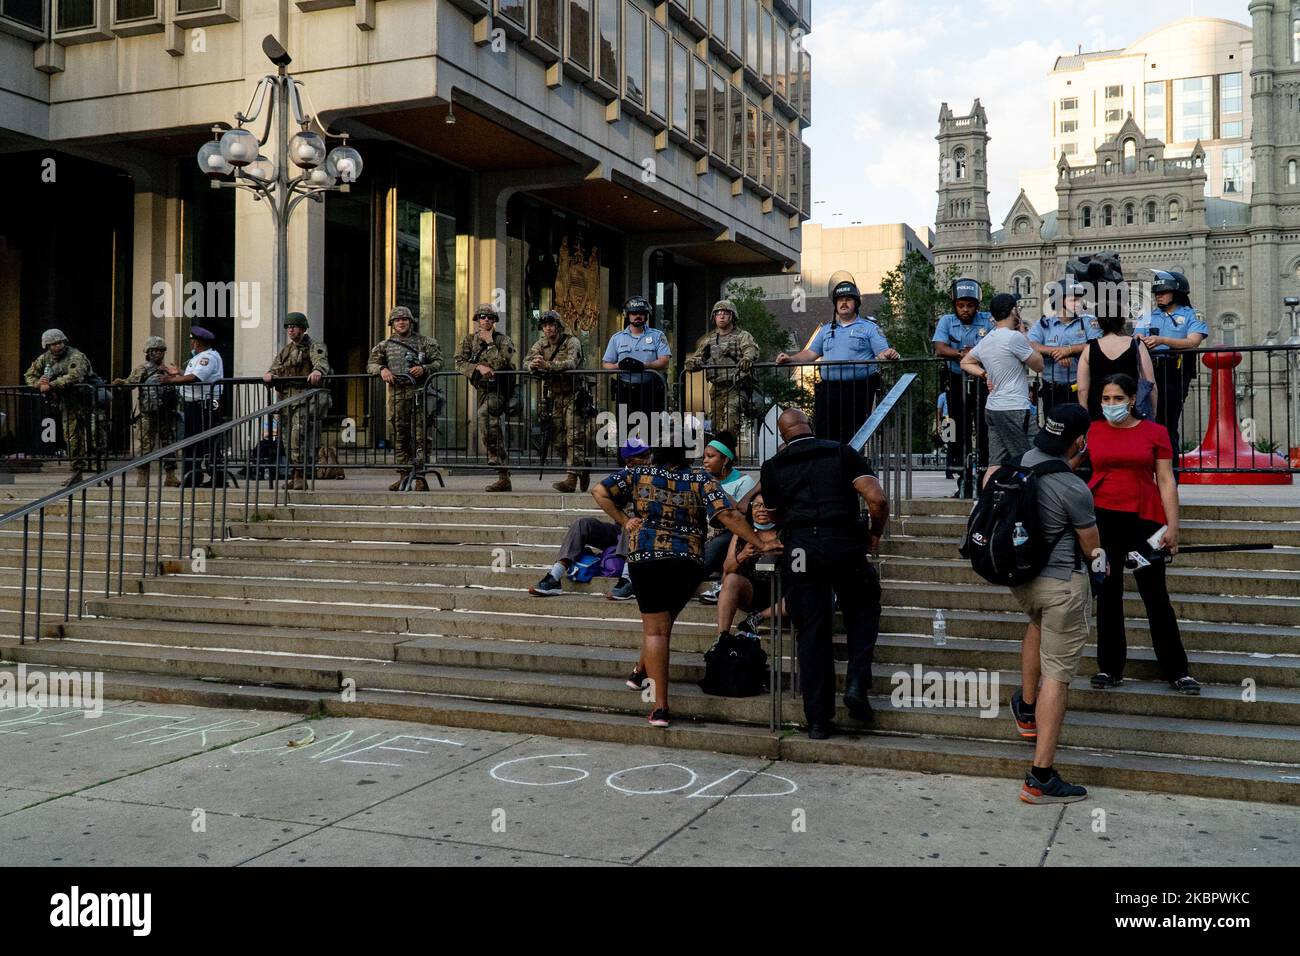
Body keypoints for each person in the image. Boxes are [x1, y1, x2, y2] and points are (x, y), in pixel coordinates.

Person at [592, 431, 778, 728]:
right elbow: (729, 514)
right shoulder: (700, 480)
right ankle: (639, 673)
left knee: (655, 631)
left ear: (655, 454)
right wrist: (759, 542)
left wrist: (626, 521)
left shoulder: (638, 473)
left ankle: (660, 708)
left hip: (646, 560)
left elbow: (599, 491)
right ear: (685, 456)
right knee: (663, 623)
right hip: (687, 563)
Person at [758, 408, 889, 739]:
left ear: (782, 436)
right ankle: (857, 681)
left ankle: (818, 720)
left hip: (801, 550)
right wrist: (874, 533)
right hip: (843, 542)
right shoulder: (841, 452)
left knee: (811, 630)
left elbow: (771, 514)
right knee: (863, 607)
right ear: (810, 426)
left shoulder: (774, 466)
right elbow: (877, 499)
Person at [1002, 403, 1100, 804]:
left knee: (1037, 625)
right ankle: (1040, 776)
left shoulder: (1020, 462)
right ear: (1079, 441)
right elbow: (1092, 548)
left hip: (1024, 581)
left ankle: (1026, 711)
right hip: (1062, 585)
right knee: (1058, 675)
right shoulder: (1073, 487)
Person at [1087, 373, 1199, 694]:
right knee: (1108, 596)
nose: (1111, 405)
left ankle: (1177, 670)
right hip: (1102, 518)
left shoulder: (1155, 432)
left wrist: (1173, 526)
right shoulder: (1092, 431)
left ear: (1133, 399)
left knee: (1155, 596)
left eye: (1117, 399)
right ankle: (1109, 669)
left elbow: (1166, 480)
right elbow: (1068, 461)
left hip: (1145, 518)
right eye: (1105, 399)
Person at [776, 279, 900, 445]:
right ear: (835, 304)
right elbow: (811, 353)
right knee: (824, 433)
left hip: (858, 389)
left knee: (852, 435)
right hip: (829, 389)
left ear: (856, 303)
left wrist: (889, 354)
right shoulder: (826, 329)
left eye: (848, 299)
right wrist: (790, 359)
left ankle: (850, 468)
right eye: (840, 300)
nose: (844, 303)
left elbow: (883, 352)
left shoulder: (869, 328)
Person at [529, 439, 653, 599]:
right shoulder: (623, 477)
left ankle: (627, 580)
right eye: (642, 456)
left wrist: (629, 522)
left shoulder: (655, 475)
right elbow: (597, 492)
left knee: (631, 524)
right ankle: (554, 576)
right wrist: (624, 519)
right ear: (629, 461)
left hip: (648, 535)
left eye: (648, 454)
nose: (648, 460)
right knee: (583, 524)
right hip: (620, 532)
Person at [1135, 270, 1209, 473]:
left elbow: (1193, 341)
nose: (1158, 295)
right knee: (1146, 422)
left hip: (1175, 373)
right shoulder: (1148, 315)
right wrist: (1142, 340)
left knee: (1167, 425)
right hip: (1149, 372)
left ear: (1177, 293)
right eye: (1156, 292)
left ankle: (1170, 474)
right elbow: (1136, 339)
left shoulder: (1192, 315)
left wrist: (1162, 341)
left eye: (1164, 291)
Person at [960, 292, 1044, 466]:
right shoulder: (1014, 337)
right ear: (1014, 311)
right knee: (1030, 459)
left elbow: (965, 362)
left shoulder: (988, 339)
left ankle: (987, 493)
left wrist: (985, 374)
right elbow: (1038, 365)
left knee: (996, 463)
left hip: (993, 407)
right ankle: (1028, 493)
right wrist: (1023, 333)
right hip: (1015, 407)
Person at [367, 305, 443, 491]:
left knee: (421, 436)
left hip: (420, 394)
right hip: (398, 395)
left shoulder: (426, 342)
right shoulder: (384, 345)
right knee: (400, 435)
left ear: (411, 321)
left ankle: (419, 477)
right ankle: (403, 476)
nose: (401, 322)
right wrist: (382, 369)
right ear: (392, 324)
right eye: (397, 320)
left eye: (404, 319)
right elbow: (371, 364)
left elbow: (439, 362)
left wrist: (424, 369)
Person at [932, 277, 994, 496]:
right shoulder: (946, 321)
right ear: (954, 305)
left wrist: (974, 354)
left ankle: (986, 477)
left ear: (977, 305)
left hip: (983, 380)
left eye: (970, 305)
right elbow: (939, 348)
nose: (965, 310)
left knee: (986, 428)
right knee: (957, 429)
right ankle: (963, 477)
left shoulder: (987, 319)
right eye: (961, 305)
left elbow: (996, 342)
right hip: (956, 381)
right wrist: (960, 354)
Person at [263, 312, 332, 491]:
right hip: (287, 399)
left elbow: (321, 362)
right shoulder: (286, 350)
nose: (291, 330)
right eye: (288, 327)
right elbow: (275, 367)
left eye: (294, 327)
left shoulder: (314, 346)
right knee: (286, 438)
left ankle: (300, 474)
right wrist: (270, 375)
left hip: (304, 398)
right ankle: (295, 473)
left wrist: (317, 371)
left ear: (302, 328)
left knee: (297, 436)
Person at [455, 304, 517, 492]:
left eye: (490, 317)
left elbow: (501, 362)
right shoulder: (469, 340)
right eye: (482, 317)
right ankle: (503, 475)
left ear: (494, 321)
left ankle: (494, 456)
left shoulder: (503, 340)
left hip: (500, 390)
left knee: (485, 414)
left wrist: (490, 343)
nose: (486, 320)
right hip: (482, 389)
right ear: (477, 319)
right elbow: (458, 361)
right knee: (491, 424)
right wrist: (477, 368)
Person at [527, 310, 589, 493]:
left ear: (559, 326)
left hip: (573, 394)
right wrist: (533, 365)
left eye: (551, 324)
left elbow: (571, 363)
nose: (548, 328)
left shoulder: (572, 342)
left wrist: (548, 366)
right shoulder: (541, 344)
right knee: (556, 439)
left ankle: (571, 479)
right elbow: (526, 360)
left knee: (573, 436)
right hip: (553, 396)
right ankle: (582, 465)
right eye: (545, 325)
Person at [25, 329, 93, 486]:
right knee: (71, 435)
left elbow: (75, 375)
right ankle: (77, 470)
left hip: (84, 400)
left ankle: (89, 468)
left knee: (88, 435)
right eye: (54, 344)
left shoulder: (75, 355)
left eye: (60, 342)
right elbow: (30, 375)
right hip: (66, 402)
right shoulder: (45, 358)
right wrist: (39, 384)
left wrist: (51, 385)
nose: (58, 346)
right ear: (47, 345)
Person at [696, 431, 757, 604]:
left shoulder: (744, 482)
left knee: (723, 541)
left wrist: (718, 490)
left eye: (710, 456)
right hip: (704, 535)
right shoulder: (702, 480)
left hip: (728, 537)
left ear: (725, 460)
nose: (705, 461)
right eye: (704, 457)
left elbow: (743, 516)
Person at [683, 299, 760, 437]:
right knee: (716, 426)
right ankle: (720, 456)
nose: (722, 316)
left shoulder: (742, 336)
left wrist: (747, 358)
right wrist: (694, 363)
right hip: (717, 387)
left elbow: (750, 349)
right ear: (714, 317)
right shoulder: (709, 339)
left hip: (737, 386)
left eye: (725, 313)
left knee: (731, 420)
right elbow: (698, 357)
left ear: (732, 316)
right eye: (718, 314)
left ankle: (728, 454)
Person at [160, 327, 225, 487]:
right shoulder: (200, 357)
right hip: (194, 404)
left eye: (193, 341)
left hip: (203, 405)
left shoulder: (207, 358)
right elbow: (192, 374)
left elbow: (195, 377)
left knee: (206, 442)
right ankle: (193, 477)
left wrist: (170, 380)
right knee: (192, 442)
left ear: (198, 342)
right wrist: (178, 373)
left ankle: (216, 478)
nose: (192, 343)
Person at [715, 491, 785, 640]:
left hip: (782, 594)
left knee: (805, 589)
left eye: (766, 506)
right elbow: (727, 568)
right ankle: (722, 638)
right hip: (752, 591)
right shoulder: (742, 534)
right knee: (731, 579)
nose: (760, 509)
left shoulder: (786, 533)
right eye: (756, 505)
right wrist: (743, 554)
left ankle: (758, 617)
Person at [1027, 278, 1100, 414]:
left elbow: (1097, 346)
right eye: (1074, 300)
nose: (1079, 303)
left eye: (1080, 299)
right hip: (1052, 390)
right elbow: (1030, 345)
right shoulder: (1044, 324)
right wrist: (1055, 353)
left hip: (1081, 388)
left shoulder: (1089, 322)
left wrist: (1069, 350)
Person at [114, 336, 179, 487]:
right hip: (148, 412)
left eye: (162, 350)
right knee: (145, 444)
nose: (159, 353)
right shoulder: (142, 368)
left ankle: (170, 475)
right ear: (148, 352)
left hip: (166, 412)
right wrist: (121, 383)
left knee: (168, 443)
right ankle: (142, 475)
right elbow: (131, 384)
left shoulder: (167, 369)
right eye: (155, 350)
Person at [1076, 312, 1157, 422]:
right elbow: (1150, 384)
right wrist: (1153, 411)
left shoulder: (1089, 348)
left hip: (1098, 410)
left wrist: (1085, 417)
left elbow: (1082, 390)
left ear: (1100, 324)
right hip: (1131, 410)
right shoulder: (1136, 344)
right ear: (1122, 322)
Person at [602, 295, 671, 422]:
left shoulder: (658, 335)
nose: (637, 316)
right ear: (627, 315)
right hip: (625, 391)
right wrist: (619, 366)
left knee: (652, 433)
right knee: (626, 433)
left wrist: (644, 366)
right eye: (633, 313)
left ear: (646, 315)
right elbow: (606, 364)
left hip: (651, 391)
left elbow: (665, 362)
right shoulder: (617, 338)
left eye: (641, 313)